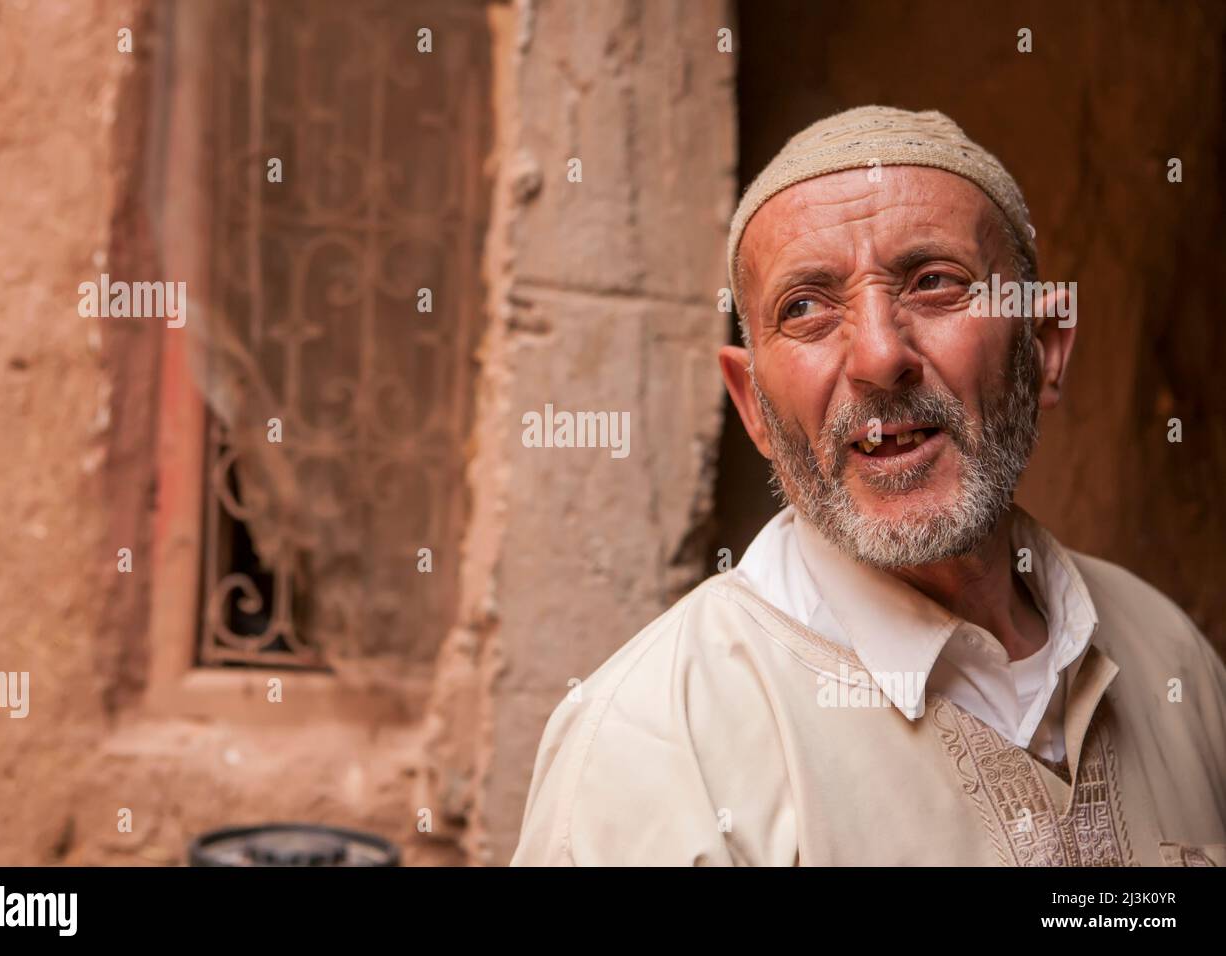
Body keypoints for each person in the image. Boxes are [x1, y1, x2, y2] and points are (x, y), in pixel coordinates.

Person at [511, 106, 1226, 866]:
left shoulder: (1170, 657)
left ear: (1043, 350)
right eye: (807, 308)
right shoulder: (652, 740)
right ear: (752, 403)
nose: (880, 356)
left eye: (933, 283)